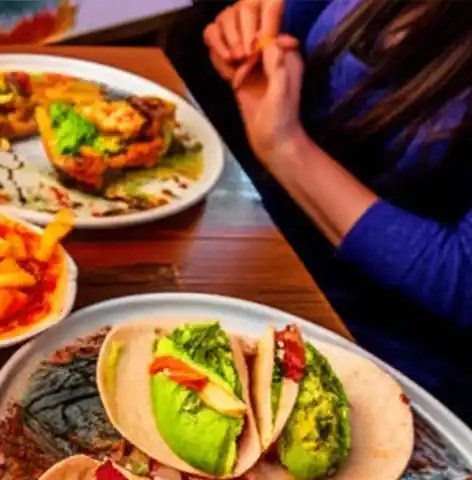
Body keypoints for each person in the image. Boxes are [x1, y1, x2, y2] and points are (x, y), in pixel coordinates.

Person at [201, 0, 472, 419]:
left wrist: (287, 151)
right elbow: (293, 18)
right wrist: (251, 35)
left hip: (386, 344)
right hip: (265, 239)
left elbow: (461, 278)